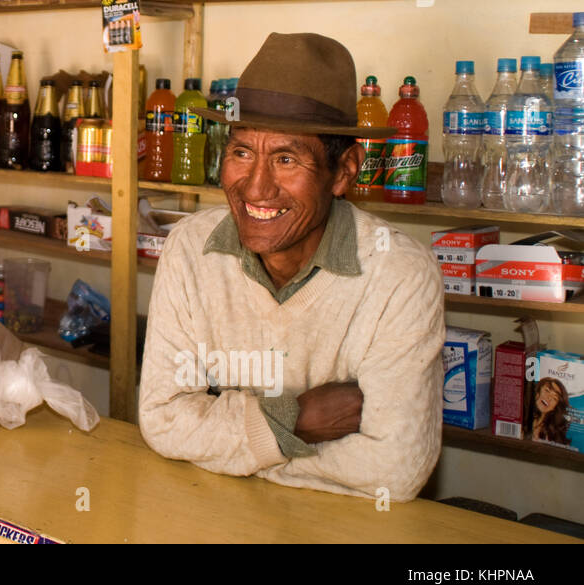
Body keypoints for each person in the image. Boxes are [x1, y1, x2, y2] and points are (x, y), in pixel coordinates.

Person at [139, 32, 444, 501]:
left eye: (286, 159)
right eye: (241, 152)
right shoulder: (189, 248)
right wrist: (294, 421)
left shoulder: (400, 274)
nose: (256, 187)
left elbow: (394, 470)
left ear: (344, 171)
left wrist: (231, 445)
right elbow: (162, 421)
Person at [531, 377, 570, 445]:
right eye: (547, 390)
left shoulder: (551, 434)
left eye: (555, 398)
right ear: (537, 392)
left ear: (555, 407)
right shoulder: (526, 418)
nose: (549, 398)